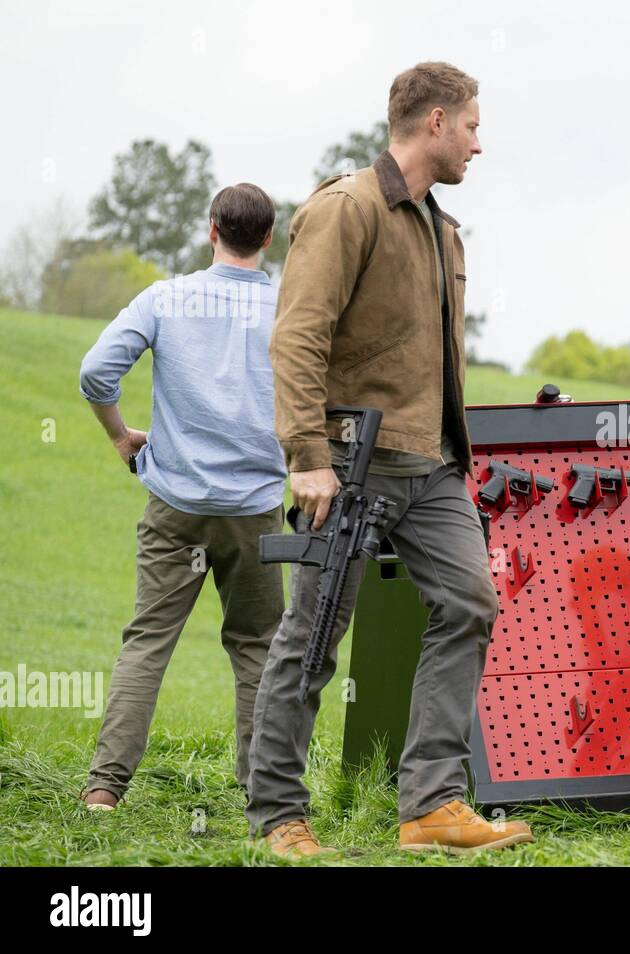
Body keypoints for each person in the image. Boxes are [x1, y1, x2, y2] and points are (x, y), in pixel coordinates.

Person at [244, 61, 534, 857]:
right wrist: (306, 455)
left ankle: (432, 804)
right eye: (472, 125)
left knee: (470, 604)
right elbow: (298, 336)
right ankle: (277, 813)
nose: (480, 142)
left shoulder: (441, 228)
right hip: (351, 465)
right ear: (435, 122)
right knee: (312, 637)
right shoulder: (346, 208)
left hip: (434, 464)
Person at [78, 184, 285, 810]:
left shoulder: (165, 298)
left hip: (175, 504)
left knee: (148, 641)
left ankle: (104, 791)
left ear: (211, 230)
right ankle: (263, 799)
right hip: (255, 510)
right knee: (256, 648)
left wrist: (121, 437)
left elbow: (95, 372)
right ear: (270, 239)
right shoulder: (290, 305)